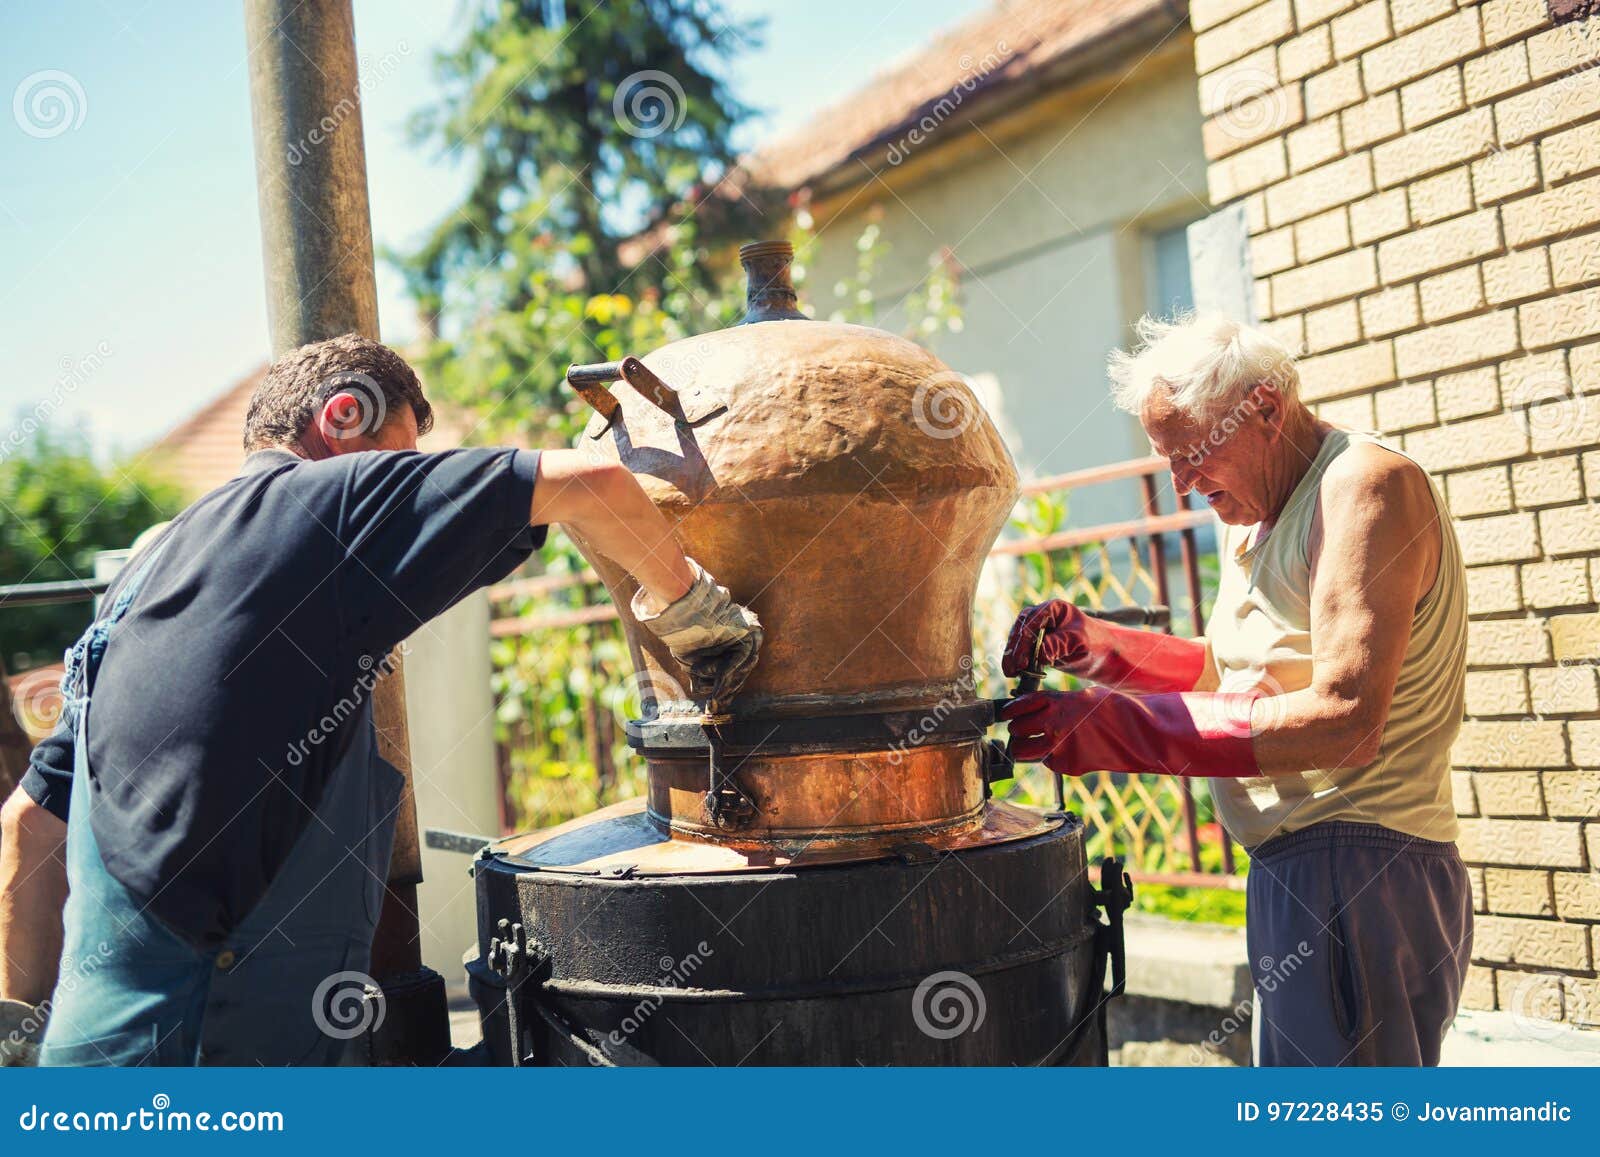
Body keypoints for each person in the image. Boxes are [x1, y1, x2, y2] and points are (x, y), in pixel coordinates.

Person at [0, 333, 760, 1066]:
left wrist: (16, 1035)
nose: (410, 483)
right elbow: (590, 485)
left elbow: (29, 821)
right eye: (403, 457)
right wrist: (696, 612)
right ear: (341, 417)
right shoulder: (319, 503)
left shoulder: (148, 569)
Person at [1001, 313, 1470, 1066]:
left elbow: (1345, 721)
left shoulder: (1364, 487)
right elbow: (1225, 673)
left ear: (1265, 409)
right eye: (1168, 461)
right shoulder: (1256, 514)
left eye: (1192, 455)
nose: (1182, 485)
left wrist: (1113, 730)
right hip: (1301, 868)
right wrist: (1093, 648)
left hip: (1359, 863)